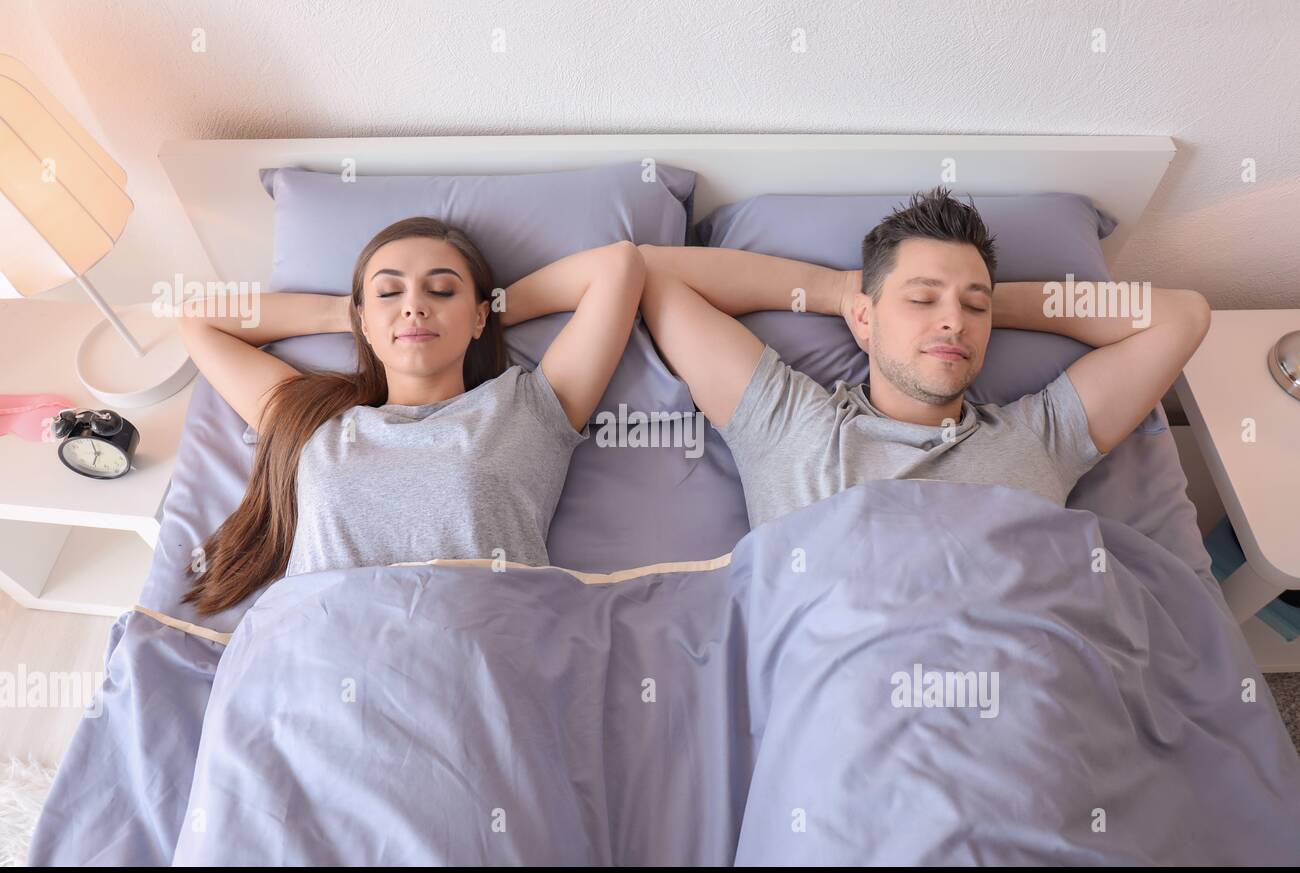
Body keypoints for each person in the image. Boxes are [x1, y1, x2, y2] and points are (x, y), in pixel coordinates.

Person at [636, 185, 1211, 531]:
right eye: (920, 298)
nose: (953, 321)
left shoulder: (1039, 438)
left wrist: (974, 303)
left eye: (973, 308)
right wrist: (840, 292)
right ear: (864, 319)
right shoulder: (788, 424)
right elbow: (649, 271)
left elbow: (1181, 316)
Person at [178, 217, 644, 614]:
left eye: (441, 290)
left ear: (481, 316)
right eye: (388, 292)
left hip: (474, 663)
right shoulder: (315, 423)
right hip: (321, 664)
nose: (415, 305)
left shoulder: (529, 409)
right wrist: (357, 314)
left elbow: (618, 266)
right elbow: (199, 321)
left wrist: (484, 313)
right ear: (362, 318)